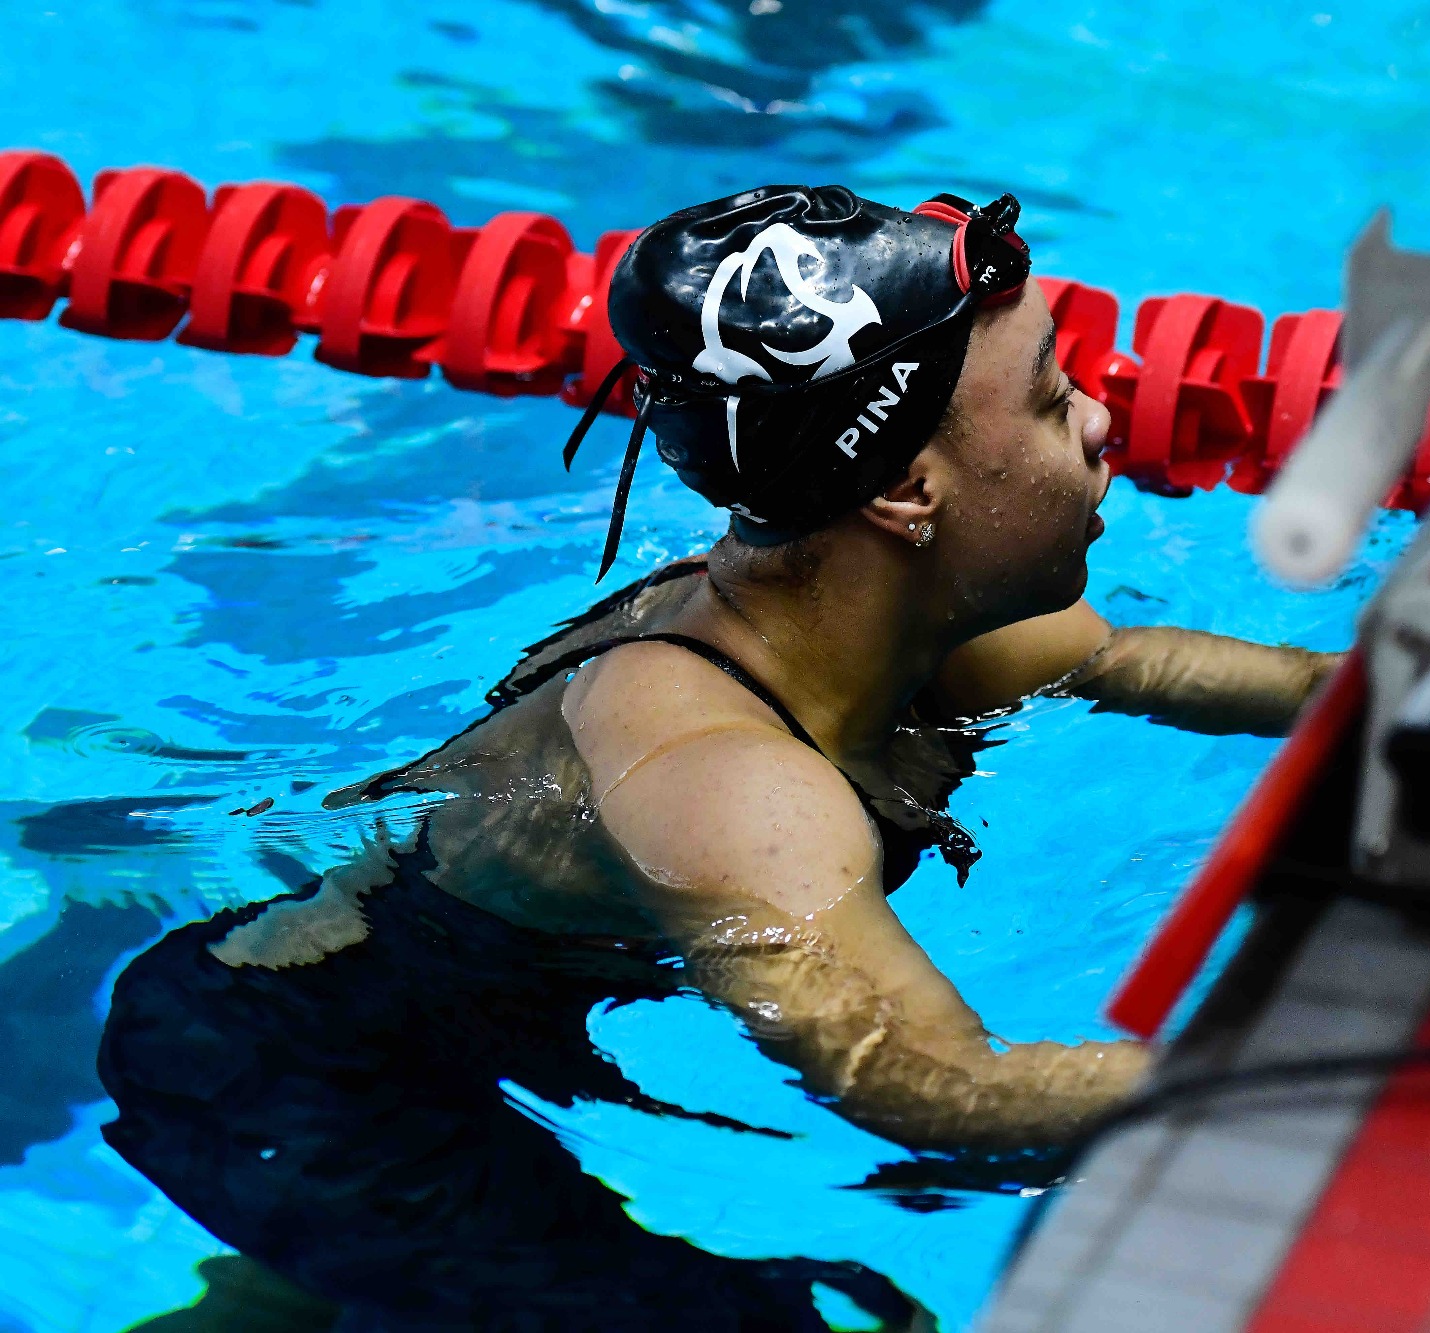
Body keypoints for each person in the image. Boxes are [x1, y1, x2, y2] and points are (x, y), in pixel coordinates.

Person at [98, 185, 1335, 1329]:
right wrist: (1312, 1090)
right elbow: (922, 1086)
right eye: (1055, 401)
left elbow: (1175, 667)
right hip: (296, 1078)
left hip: (462, 1046)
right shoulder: (728, 781)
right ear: (907, 490)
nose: (1107, 419)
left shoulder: (923, 635)